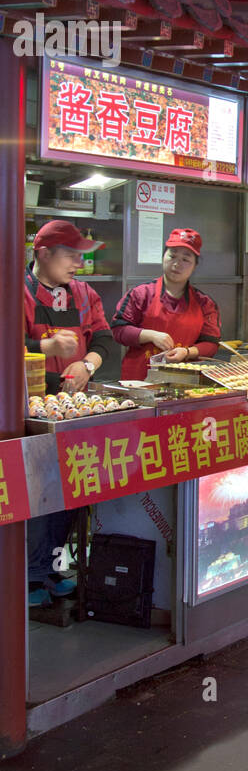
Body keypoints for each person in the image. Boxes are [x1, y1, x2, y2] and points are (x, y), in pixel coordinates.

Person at [24, 220, 117, 606]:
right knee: (34, 494)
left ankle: (49, 569)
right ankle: (27, 579)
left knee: (69, 489)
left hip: (73, 406)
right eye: (71, 254)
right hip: (26, 408)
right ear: (43, 253)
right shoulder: (15, 291)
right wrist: (44, 346)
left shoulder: (83, 293)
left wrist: (87, 365)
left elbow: (106, 339)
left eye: (83, 254)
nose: (79, 262)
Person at [112, 229, 222, 379]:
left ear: (195, 265)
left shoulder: (205, 303)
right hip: (139, 381)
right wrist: (149, 335)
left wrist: (187, 352)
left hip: (183, 382)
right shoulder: (141, 294)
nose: (177, 264)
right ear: (163, 257)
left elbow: (211, 344)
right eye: (172, 255)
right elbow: (118, 330)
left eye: (186, 259)